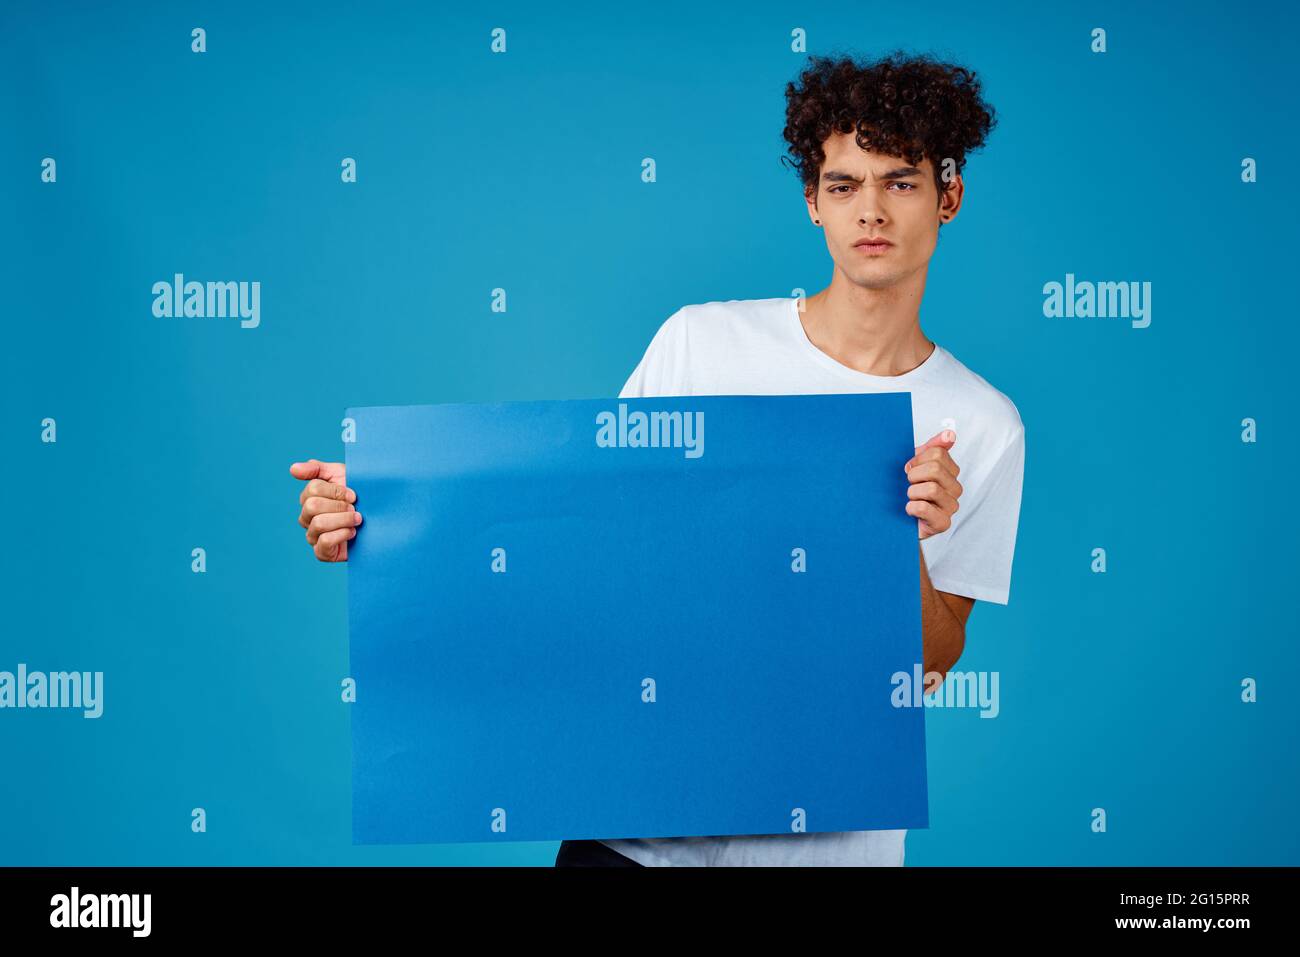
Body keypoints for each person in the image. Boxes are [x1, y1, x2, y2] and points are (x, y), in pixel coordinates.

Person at [290, 49, 1024, 867]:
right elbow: (580, 537)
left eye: (902, 181)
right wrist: (386, 512)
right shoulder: (700, 341)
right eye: (844, 185)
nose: (871, 211)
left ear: (948, 195)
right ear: (813, 203)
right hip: (636, 842)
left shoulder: (983, 423)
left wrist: (910, 537)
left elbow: (931, 659)